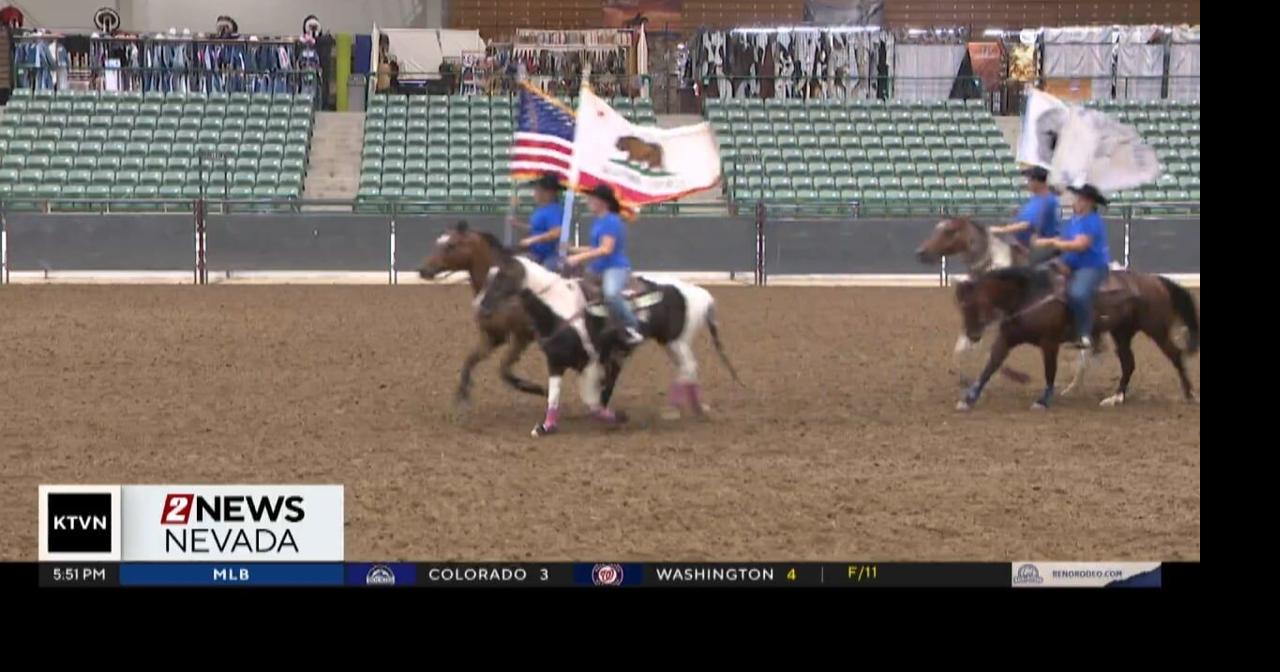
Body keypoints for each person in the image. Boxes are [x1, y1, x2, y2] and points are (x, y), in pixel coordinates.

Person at [1035, 184, 1111, 350]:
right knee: (1039, 275)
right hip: (1072, 263)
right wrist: (1049, 244)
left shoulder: (1092, 221)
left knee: (1077, 293)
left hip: (1092, 266)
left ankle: (1086, 333)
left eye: (1079, 199)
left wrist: (1053, 242)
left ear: (1089, 203)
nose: (1075, 201)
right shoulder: (1072, 221)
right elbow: (1063, 240)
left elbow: (1080, 245)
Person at [565, 185, 644, 346]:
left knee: (611, 294)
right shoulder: (600, 221)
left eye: (592, 198)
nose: (589, 201)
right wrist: (572, 249)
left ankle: (631, 326)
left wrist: (579, 257)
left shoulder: (611, 221)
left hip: (614, 268)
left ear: (604, 202)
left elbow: (606, 249)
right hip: (597, 268)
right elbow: (596, 247)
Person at [990, 166, 1061, 265]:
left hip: (1041, 245)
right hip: (1021, 243)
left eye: (1028, 180)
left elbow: (1026, 225)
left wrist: (1001, 230)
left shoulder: (1048, 201)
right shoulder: (1033, 198)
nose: (1026, 183)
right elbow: (1016, 213)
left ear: (1037, 181)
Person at [516, 173, 565, 271]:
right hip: (536, 253)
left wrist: (533, 240)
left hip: (550, 255)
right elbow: (535, 229)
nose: (535, 193)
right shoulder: (541, 209)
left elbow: (556, 232)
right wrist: (517, 224)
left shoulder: (554, 210)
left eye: (538, 190)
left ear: (549, 192)